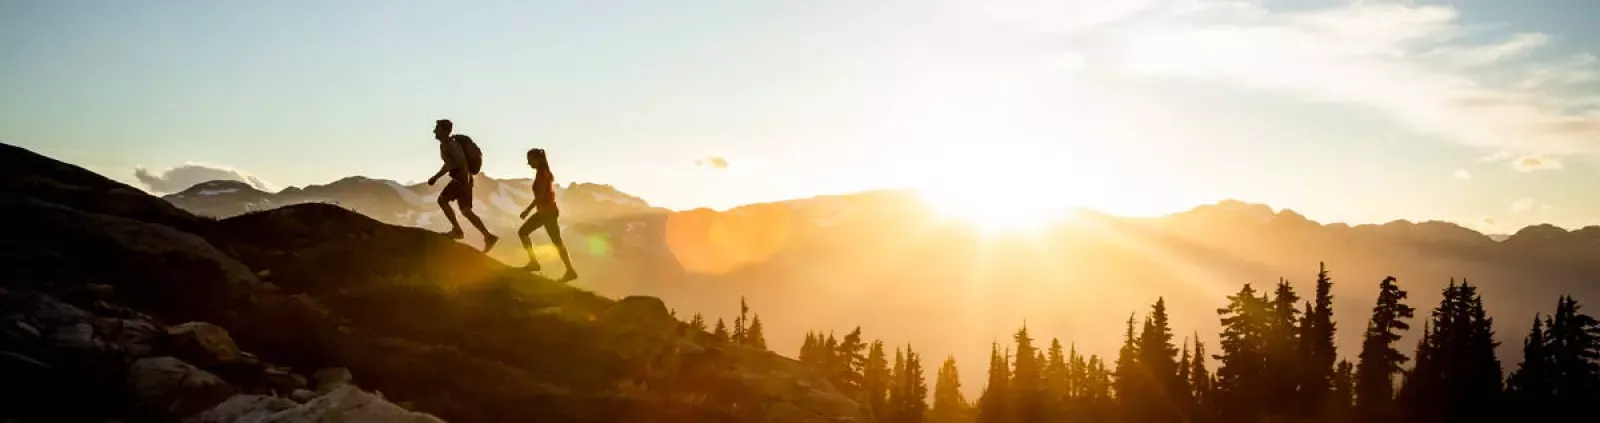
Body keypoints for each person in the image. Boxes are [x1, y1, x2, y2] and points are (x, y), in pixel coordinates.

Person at [426, 119, 498, 252]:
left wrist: (461, 181)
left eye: (437, 128)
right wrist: (436, 177)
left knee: (442, 200)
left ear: (444, 131)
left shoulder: (450, 145)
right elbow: (449, 163)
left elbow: (460, 162)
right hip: (465, 179)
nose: (434, 131)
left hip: (461, 178)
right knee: (466, 210)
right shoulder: (445, 145)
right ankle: (488, 236)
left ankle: (457, 231)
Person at [517, 148, 578, 282]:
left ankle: (536, 263)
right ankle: (569, 270)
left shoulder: (542, 174)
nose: (528, 163)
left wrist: (527, 211)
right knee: (554, 241)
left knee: (525, 233)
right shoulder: (543, 172)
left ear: (537, 159)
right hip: (547, 212)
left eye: (530, 160)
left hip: (547, 213)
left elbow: (540, 196)